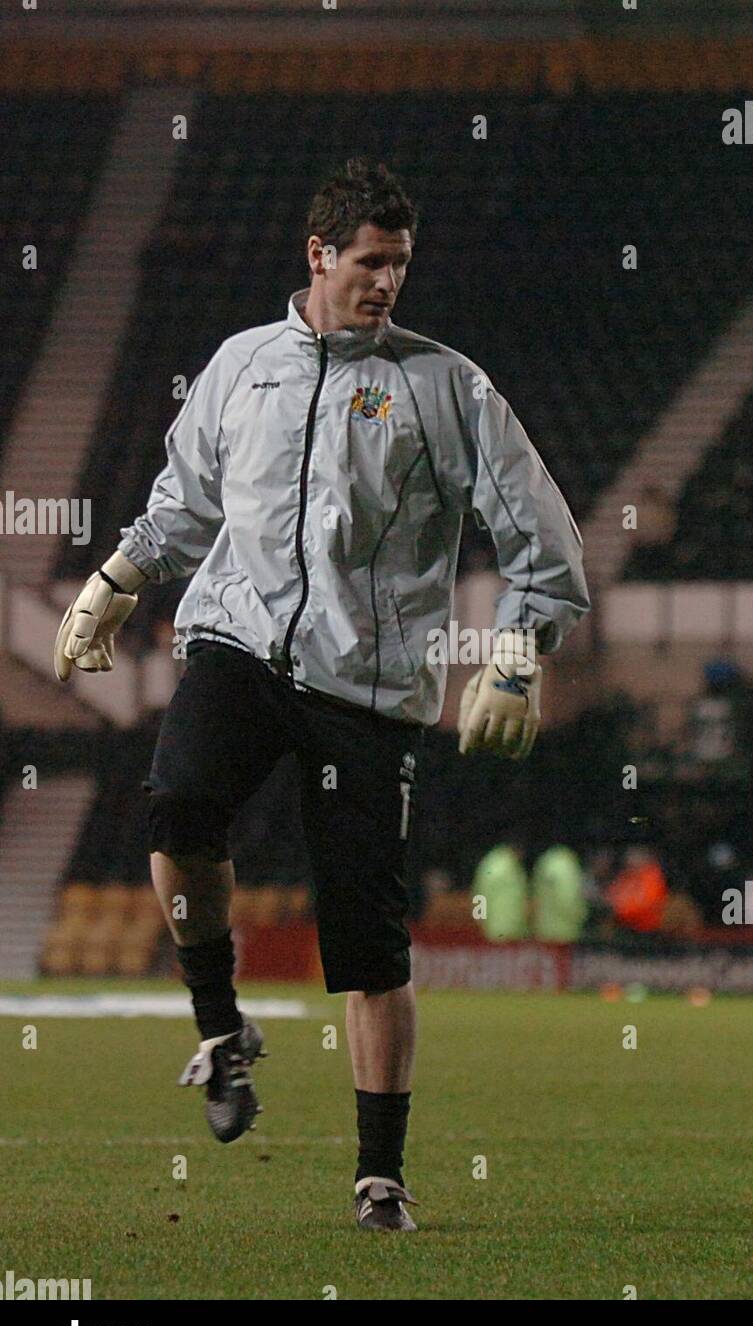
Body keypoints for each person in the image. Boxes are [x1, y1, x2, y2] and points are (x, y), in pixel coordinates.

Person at [52, 159, 589, 1232]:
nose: (387, 282)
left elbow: (545, 540)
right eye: (370, 261)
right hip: (238, 643)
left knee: (367, 943)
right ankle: (221, 1028)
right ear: (319, 255)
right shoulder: (240, 366)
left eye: (399, 264)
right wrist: (117, 578)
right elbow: (186, 505)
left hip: (368, 686)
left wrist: (519, 651)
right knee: (177, 806)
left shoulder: (447, 387)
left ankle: (378, 1172)